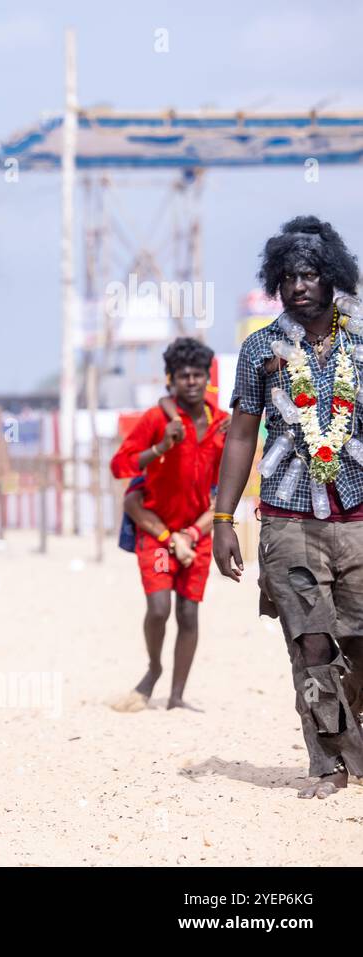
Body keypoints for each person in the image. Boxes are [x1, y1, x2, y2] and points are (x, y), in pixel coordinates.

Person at [213, 215, 363, 800]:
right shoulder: (260, 349)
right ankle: (327, 764)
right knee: (312, 643)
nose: (300, 285)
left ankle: (353, 739)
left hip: (357, 516)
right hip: (287, 518)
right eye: (289, 276)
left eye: (311, 274)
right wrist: (223, 520)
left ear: (333, 279)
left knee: (356, 643)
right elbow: (242, 433)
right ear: (275, 283)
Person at [109, 338, 228, 712]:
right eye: (183, 376)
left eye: (197, 375)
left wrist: (193, 534)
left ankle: (176, 697)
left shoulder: (222, 424)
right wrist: (160, 447)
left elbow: (227, 487)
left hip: (198, 531)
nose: (191, 382)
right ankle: (154, 667)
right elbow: (120, 466)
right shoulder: (155, 420)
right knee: (159, 609)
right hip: (156, 530)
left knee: (189, 612)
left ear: (206, 378)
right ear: (171, 380)